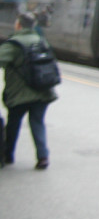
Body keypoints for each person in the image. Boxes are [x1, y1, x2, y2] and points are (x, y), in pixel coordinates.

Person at [1, 12, 58, 169]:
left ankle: (8, 155)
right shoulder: (41, 40)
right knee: (37, 123)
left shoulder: (14, 44)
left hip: (19, 94)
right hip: (43, 91)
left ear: (18, 25)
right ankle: (43, 157)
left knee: (13, 124)